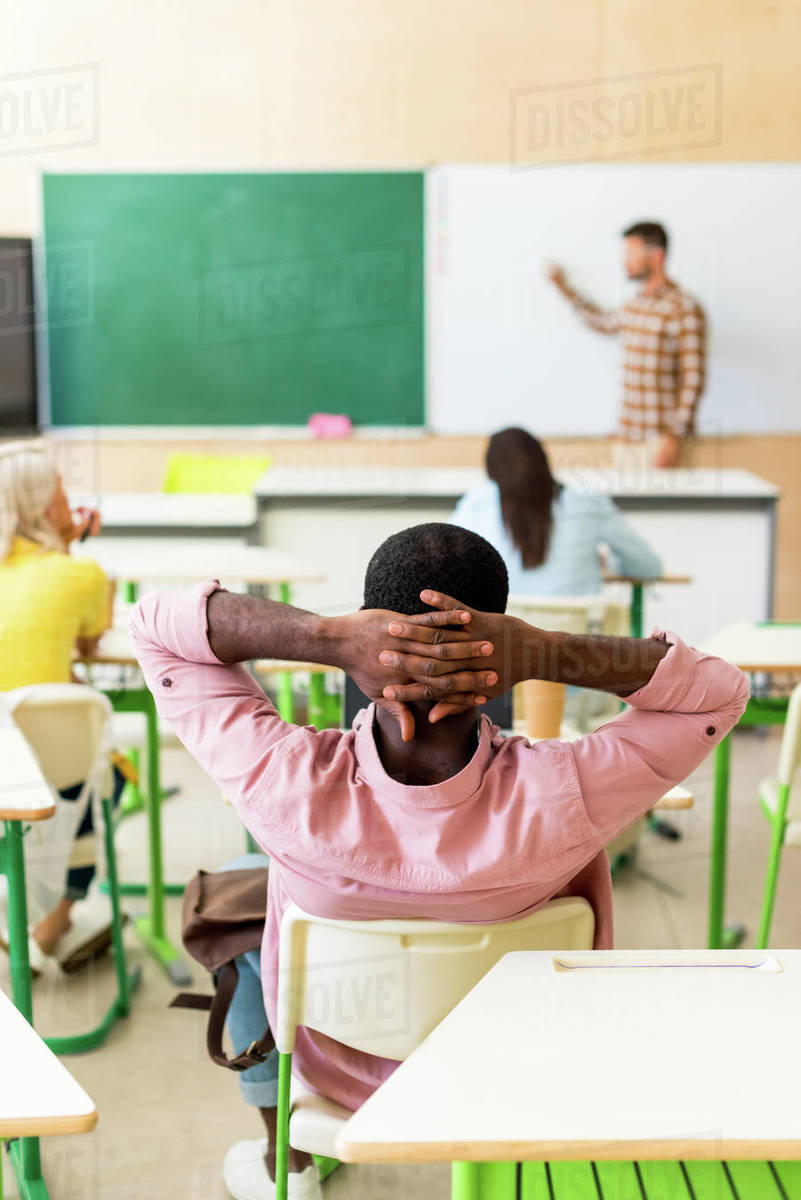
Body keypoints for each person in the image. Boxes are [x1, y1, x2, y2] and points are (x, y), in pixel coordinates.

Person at [130, 522, 748, 1200]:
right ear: (501, 660)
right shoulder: (567, 794)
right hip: (521, 1074)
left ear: (365, 646)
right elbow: (718, 692)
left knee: (239, 912)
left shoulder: (280, 781)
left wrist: (329, 638)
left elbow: (157, 626)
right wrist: (548, 652)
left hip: (338, 1082)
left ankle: (290, 1162)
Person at [0, 440, 119, 971]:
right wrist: (68, 550)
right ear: (49, 507)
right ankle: (55, 921)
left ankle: (28, 910)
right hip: (47, 775)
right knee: (108, 775)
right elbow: (93, 633)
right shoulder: (78, 574)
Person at [545, 221, 706, 470]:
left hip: (661, 443)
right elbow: (601, 321)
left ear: (656, 255)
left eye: (631, 253)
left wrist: (675, 437)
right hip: (627, 439)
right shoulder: (635, 305)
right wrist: (563, 288)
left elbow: (693, 378)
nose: (624, 261)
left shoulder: (683, 308)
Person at [452, 427, 661, 595]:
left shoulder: (477, 504)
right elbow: (648, 566)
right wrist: (608, 564)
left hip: (501, 643)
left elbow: (443, 562)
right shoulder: (588, 503)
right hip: (576, 644)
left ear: (491, 470)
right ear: (544, 460)